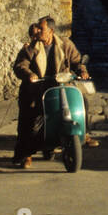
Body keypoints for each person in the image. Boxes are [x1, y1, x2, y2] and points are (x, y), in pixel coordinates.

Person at [10, 16, 96, 168]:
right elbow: (20, 65)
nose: (38, 31)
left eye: (41, 29)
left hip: (61, 84)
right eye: (37, 28)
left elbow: (76, 60)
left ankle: (85, 133)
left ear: (51, 31)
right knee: (30, 117)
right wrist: (29, 74)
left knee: (83, 102)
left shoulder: (65, 44)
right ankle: (26, 154)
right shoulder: (31, 47)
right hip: (38, 88)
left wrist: (82, 71)